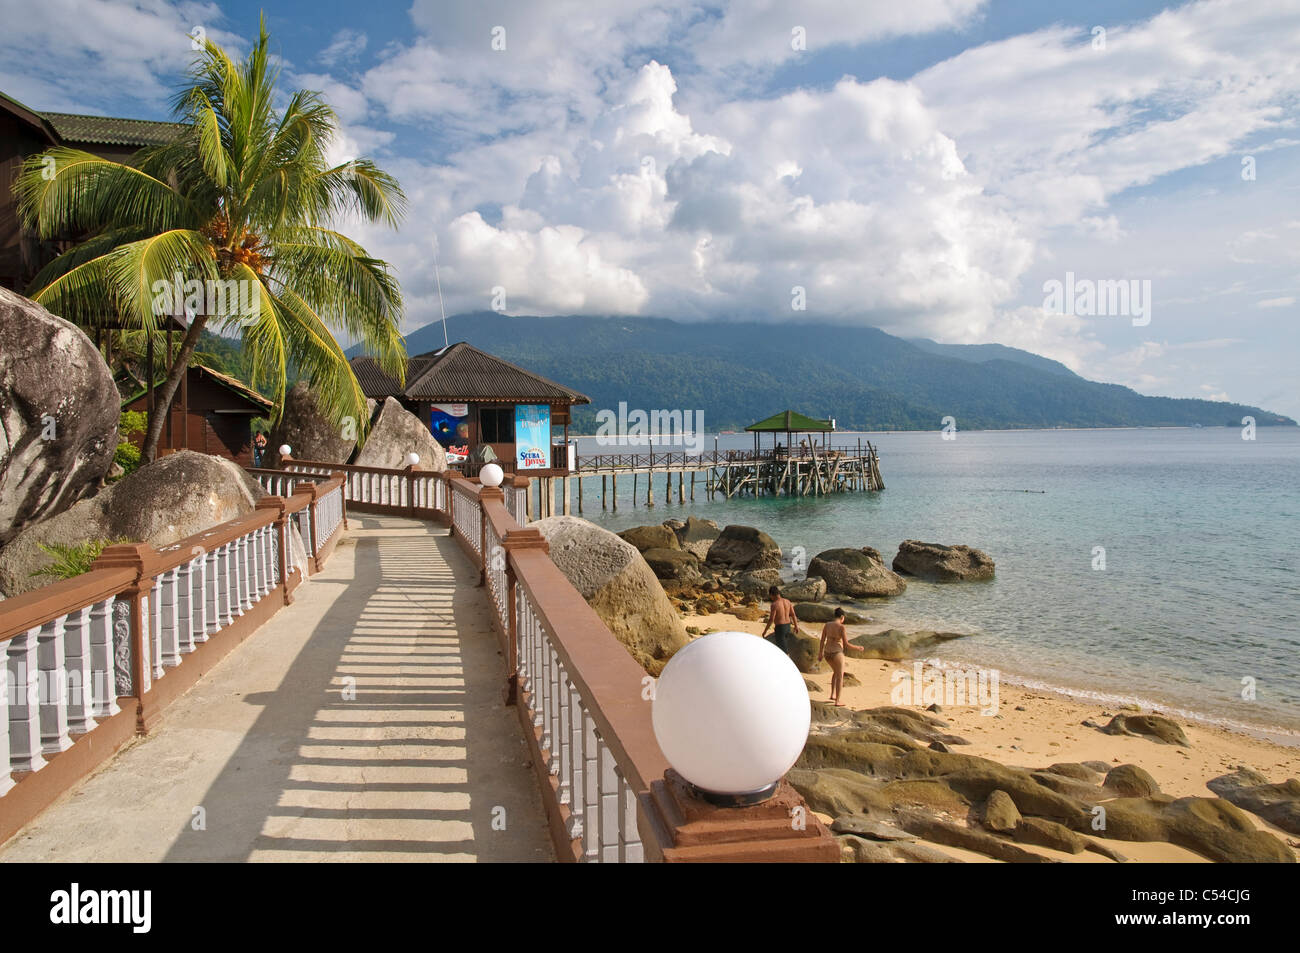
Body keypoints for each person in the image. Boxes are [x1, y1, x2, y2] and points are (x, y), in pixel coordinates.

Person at [818, 608, 849, 705]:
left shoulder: (827, 625)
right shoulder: (841, 627)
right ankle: (837, 700)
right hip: (837, 653)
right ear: (842, 617)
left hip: (827, 653)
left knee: (836, 672)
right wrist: (858, 648)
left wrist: (820, 653)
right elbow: (846, 644)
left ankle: (832, 694)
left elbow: (822, 640)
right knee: (840, 675)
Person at [760, 585, 803, 655]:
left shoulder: (774, 605)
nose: (770, 598)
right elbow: (793, 615)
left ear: (772, 595)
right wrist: (796, 626)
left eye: (770, 596)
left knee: (783, 651)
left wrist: (765, 631)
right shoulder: (788, 601)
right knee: (785, 646)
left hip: (780, 628)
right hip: (788, 627)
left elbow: (771, 619)